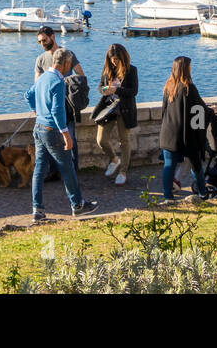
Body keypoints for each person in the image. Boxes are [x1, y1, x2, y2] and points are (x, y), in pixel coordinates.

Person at [26, 48, 97, 221]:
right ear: (65, 63)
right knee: (67, 167)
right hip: (53, 131)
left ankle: (38, 210)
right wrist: (66, 134)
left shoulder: (42, 78)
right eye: (70, 63)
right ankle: (77, 204)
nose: (70, 67)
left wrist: (36, 110)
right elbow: (57, 110)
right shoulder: (58, 82)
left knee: (39, 169)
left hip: (39, 128)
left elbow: (28, 95)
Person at [34, 25, 87, 172]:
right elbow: (37, 85)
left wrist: (65, 83)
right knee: (50, 140)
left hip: (67, 104)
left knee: (71, 138)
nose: (42, 44)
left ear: (53, 36)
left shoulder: (67, 54)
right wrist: (36, 106)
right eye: (39, 42)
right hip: (48, 106)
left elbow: (81, 76)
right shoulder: (40, 59)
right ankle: (53, 172)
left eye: (44, 40)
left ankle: (74, 170)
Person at [159, 55, 207, 200]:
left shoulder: (169, 87)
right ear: (186, 69)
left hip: (168, 132)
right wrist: (212, 111)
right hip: (186, 134)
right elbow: (199, 109)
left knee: (169, 166)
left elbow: (164, 111)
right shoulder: (189, 88)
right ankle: (202, 193)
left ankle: (168, 197)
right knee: (195, 164)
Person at [94, 43, 138, 186]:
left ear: (123, 58)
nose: (114, 62)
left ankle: (123, 171)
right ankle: (114, 159)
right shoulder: (107, 69)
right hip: (108, 109)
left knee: (124, 141)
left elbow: (133, 92)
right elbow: (100, 87)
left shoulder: (131, 71)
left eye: (117, 59)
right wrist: (105, 90)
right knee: (101, 140)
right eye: (112, 59)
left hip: (124, 109)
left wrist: (116, 90)